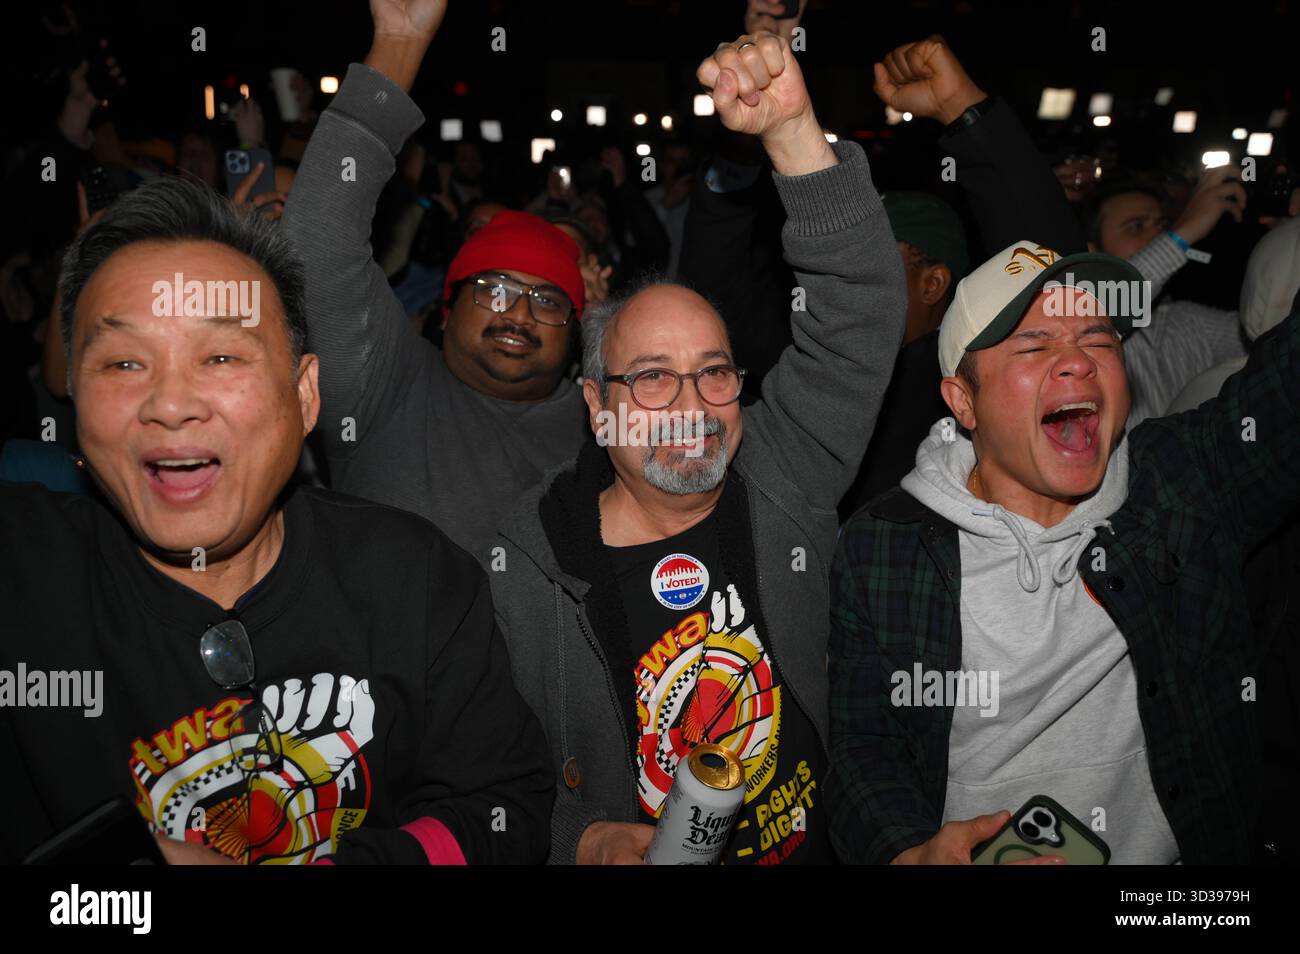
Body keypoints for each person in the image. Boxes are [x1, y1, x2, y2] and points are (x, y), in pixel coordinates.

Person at [0, 175, 553, 865]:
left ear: (306, 394)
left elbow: (507, 809)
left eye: (222, 356)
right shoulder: (22, 574)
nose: (170, 404)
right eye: (124, 361)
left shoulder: (418, 577)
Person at [492, 29, 907, 865]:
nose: (690, 406)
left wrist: (792, 132)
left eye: (714, 372)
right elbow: (487, 791)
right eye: (651, 378)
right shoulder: (521, 568)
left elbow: (859, 308)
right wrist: (584, 841)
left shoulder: (787, 470)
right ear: (595, 409)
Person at [827, 237, 1300, 864]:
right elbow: (868, 744)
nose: (1078, 361)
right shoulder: (887, 547)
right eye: (1035, 344)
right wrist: (906, 854)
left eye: (1100, 340)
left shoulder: (1184, 483)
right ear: (963, 401)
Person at [281, 0, 591, 567]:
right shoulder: (387, 382)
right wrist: (397, 46)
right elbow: (317, 240)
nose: (519, 314)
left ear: (576, 331)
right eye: (494, 288)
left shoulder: (606, 426)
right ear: (447, 307)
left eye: (548, 300)